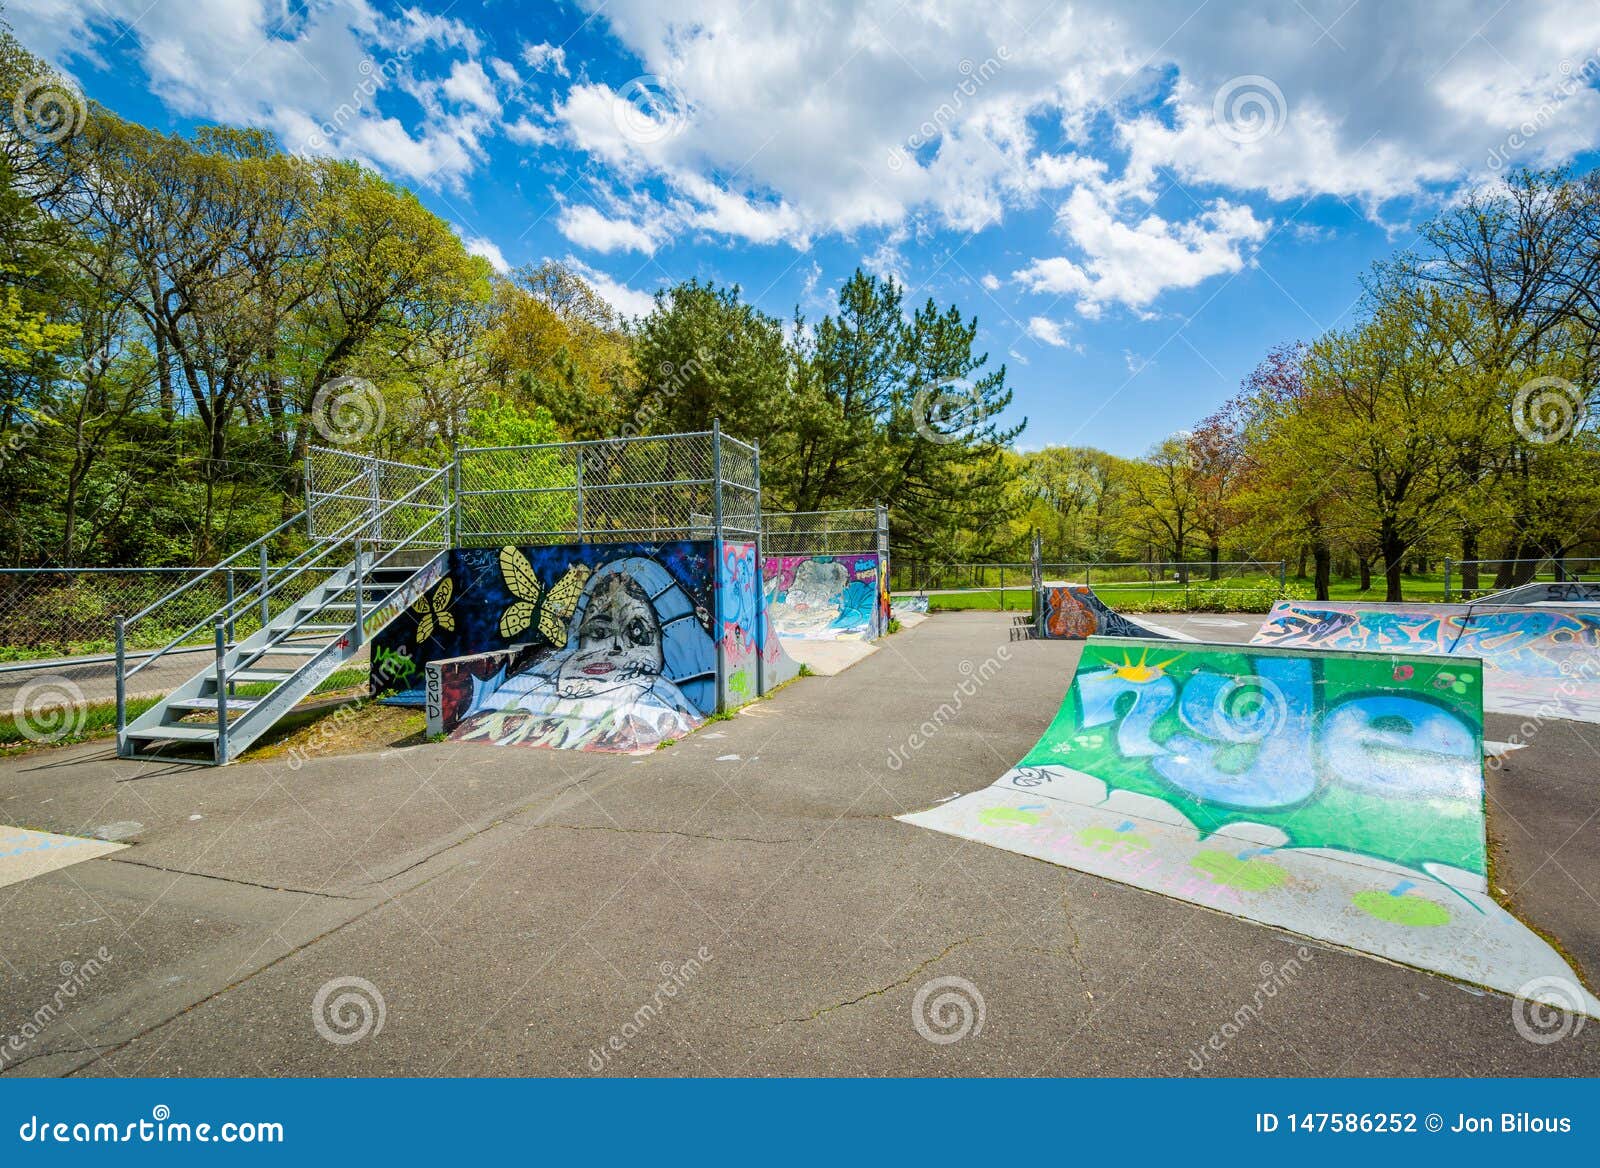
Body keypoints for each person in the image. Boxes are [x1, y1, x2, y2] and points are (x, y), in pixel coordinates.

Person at [453, 556, 716, 753]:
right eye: (598, 633)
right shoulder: (528, 689)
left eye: (636, 635)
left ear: (666, 646)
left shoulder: (658, 697)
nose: (614, 649)